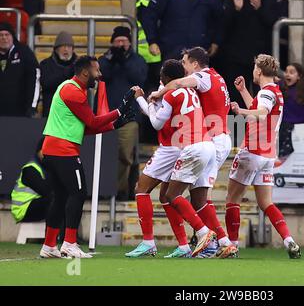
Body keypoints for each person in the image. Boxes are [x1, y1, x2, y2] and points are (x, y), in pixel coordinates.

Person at [127, 59, 236, 259]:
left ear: (167, 78)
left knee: (144, 190)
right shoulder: (191, 91)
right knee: (181, 197)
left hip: (177, 147)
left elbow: (157, 121)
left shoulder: (169, 92)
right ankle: (200, 243)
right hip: (206, 144)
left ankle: (200, 234)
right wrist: (147, 100)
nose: (160, 78)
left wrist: (142, 99)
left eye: (162, 75)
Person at [39, 56, 136, 259]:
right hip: (63, 151)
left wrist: (114, 124)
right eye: (97, 70)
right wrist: (120, 109)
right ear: (85, 73)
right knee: (78, 193)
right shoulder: (72, 90)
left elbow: (85, 127)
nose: (99, 75)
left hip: (54, 149)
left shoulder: (72, 89)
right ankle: (69, 244)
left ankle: (49, 246)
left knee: (61, 197)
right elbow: (91, 121)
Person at [226, 54, 301, 259]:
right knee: (266, 203)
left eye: (254, 68)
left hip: (252, 151)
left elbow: (260, 112)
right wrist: (243, 92)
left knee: (232, 199)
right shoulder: (274, 91)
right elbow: (257, 110)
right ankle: (289, 241)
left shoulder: (267, 93)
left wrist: (238, 110)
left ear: (258, 71)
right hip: (268, 156)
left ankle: (231, 247)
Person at [99, 26, 148, 201]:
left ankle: (121, 190)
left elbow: (139, 77)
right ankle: (111, 189)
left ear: (130, 43)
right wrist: (112, 60)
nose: (121, 45)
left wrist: (124, 61)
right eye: (118, 41)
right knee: (107, 154)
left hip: (130, 116)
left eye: (124, 42)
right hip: (108, 116)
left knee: (126, 154)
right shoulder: (106, 59)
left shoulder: (137, 60)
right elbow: (101, 75)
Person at [220, 0, 274, 107]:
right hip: (236, 59)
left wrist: (260, 8)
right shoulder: (234, 0)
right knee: (235, 95)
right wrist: (236, 9)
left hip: (261, 60)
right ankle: (236, 126)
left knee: (261, 95)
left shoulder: (268, 1)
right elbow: (224, 27)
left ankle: (261, 125)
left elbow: (273, 23)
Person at [139, 0, 223, 61]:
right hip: (171, 51)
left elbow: (219, 20)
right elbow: (149, 16)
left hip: (199, 53)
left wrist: (216, 42)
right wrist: (152, 41)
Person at [0, 22, 40, 117]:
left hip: (20, 113)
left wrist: (32, 106)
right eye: (0, 35)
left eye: (7, 34)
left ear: (12, 36)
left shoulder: (24, 53)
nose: (4, 38)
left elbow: (34, 79)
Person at [10, 138, 52, 223]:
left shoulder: (45, 169)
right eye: (45, 150)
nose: (47, 154)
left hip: (33, 206)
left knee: (61, 200)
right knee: (55, 200)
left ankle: (65, 234)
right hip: (23, 209)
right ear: (39, 151)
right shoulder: (30, 170)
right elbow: (46, 190)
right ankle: (59, 235)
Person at [40, 31, 78, 117]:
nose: (66, 49)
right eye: (63, 46)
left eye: (69, 46)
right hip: (52, 112)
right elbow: (46, 83)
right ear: (56, 49)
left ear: (72, 49)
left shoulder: (79, 65)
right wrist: (66, 74)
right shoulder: (46, 64)